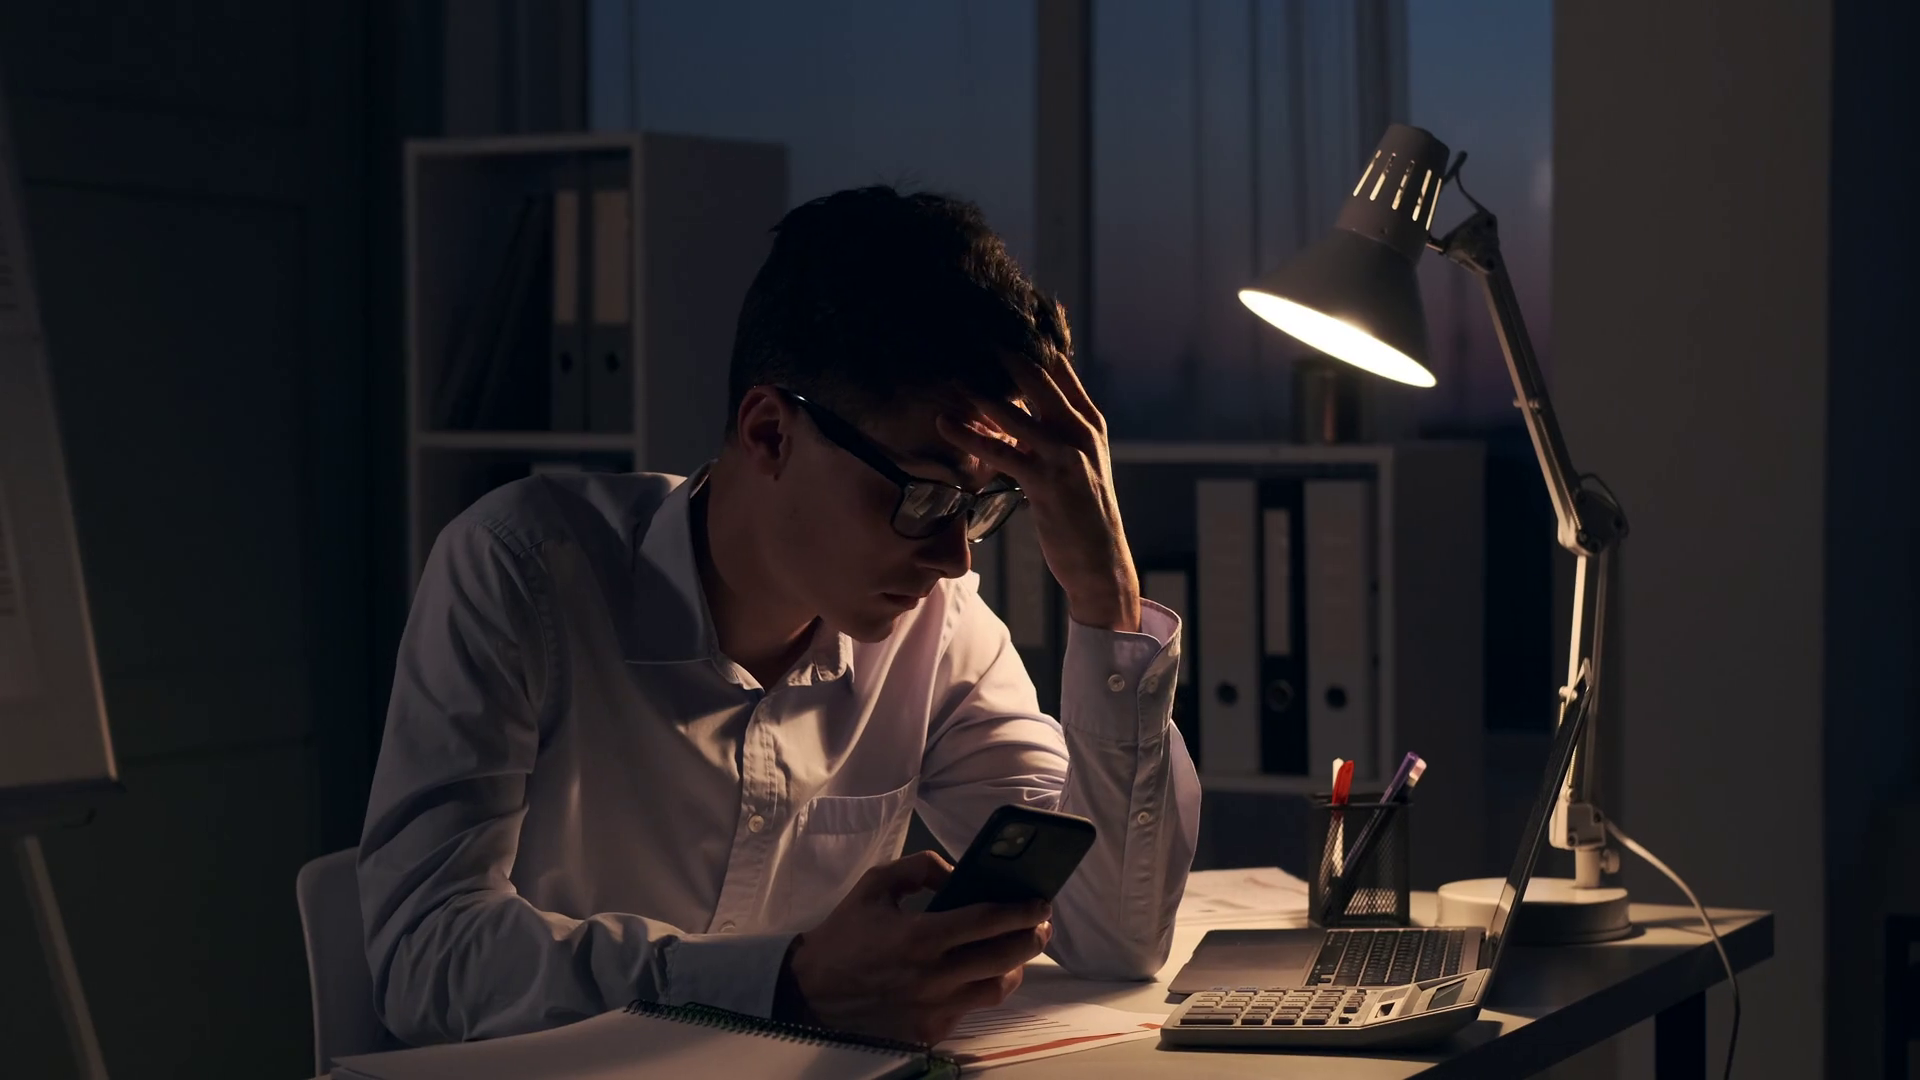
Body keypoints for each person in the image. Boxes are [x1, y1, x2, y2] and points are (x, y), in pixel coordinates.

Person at [358, 186, 1200, 1048]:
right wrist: (787, 982)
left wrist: (1107, 604)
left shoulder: (939, 629)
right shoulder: (519, 568)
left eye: (983, 505)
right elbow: (425, 958)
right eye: (923, 493)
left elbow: (1114, 941)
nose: (956, 556)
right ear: (769, 434)